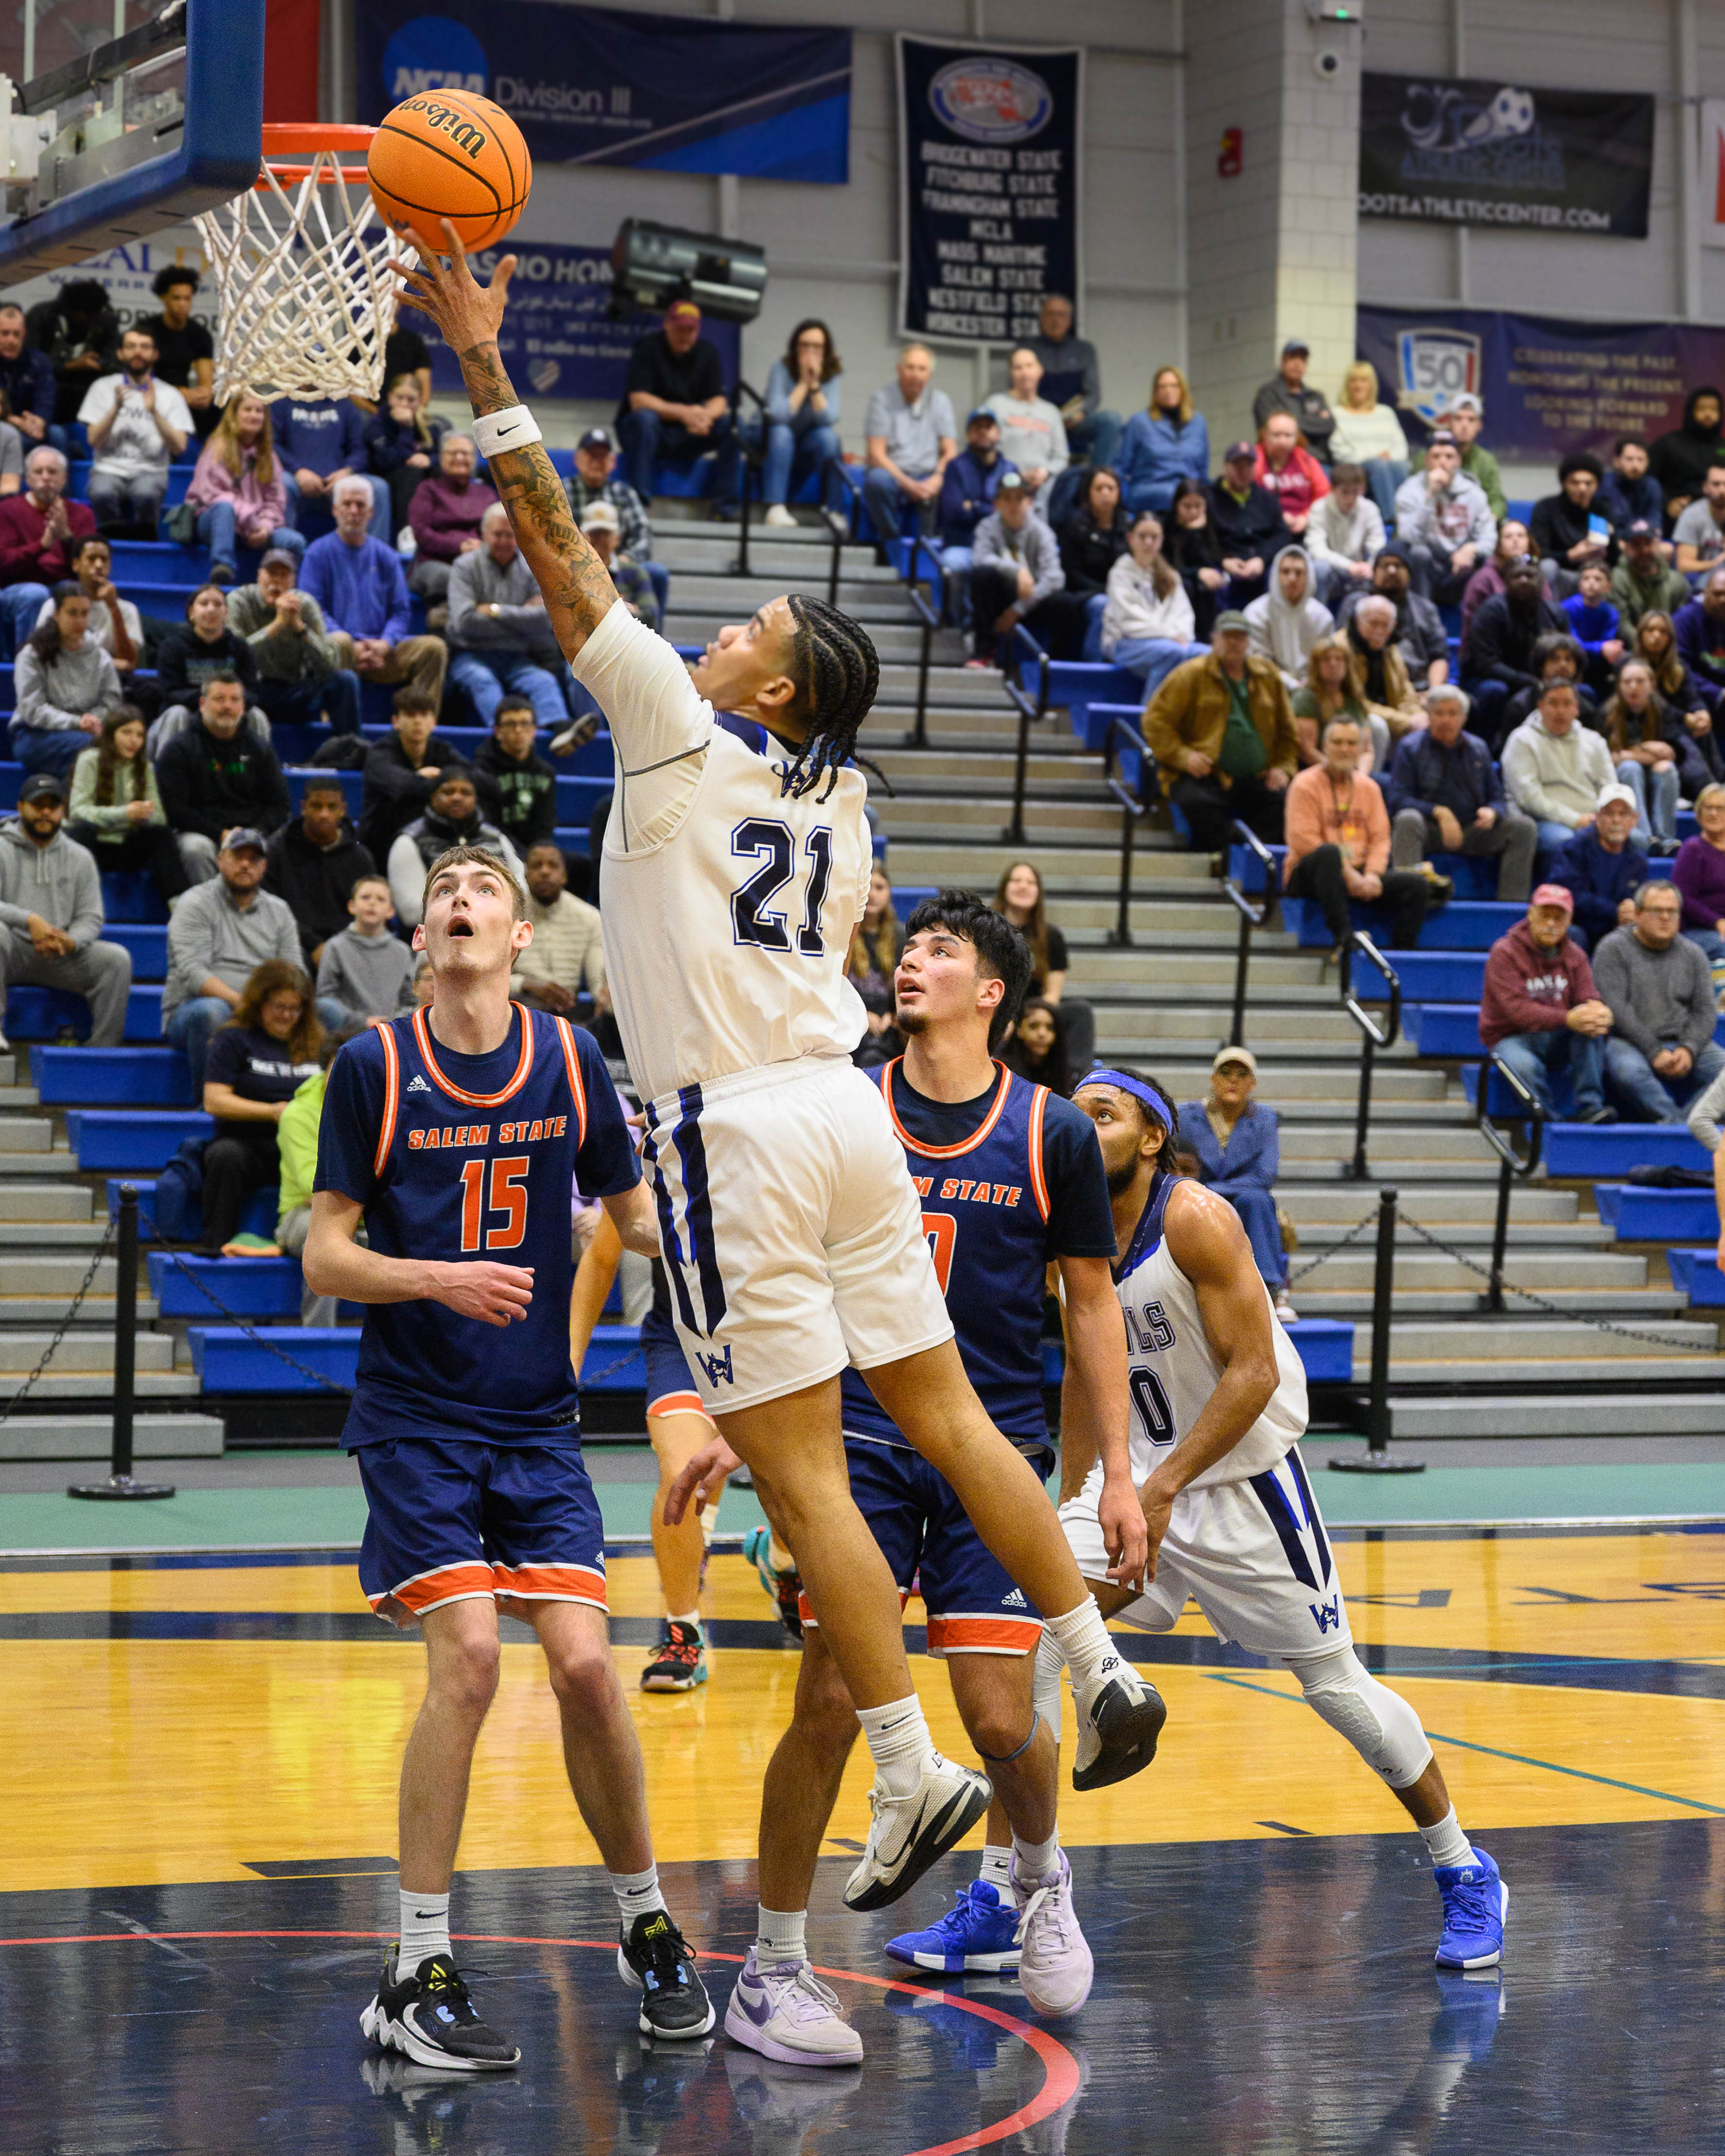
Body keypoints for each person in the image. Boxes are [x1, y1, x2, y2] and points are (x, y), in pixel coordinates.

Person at [400, 229, 1163, 1962]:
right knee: (950, 1416)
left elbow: (556, 558)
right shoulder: (846, 805)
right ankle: (1098, 1660)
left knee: (796, 1456)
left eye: (748, 629)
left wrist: (482, 362)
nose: (719, 627)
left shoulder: (680, 730)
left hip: (732, 1127)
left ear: (771, 689)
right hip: (847, 1114)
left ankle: (905, 1766)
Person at [669, 893, 1130, 2040]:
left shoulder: (1053, 1132)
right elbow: (775, 1280)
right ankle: (774, 1958)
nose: (912, 961)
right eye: (909, 944)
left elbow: (1090, 1306)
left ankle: (1039, 1879)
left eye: (941, 950)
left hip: (990, 1447)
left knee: (996, 1710)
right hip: (855, 1446)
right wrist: (739, 1423)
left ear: (993, 993)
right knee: (829, 1696)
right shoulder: (845, 1102)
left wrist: (1117, 1472)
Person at [302, 843, 712, 2070]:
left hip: (535, 1421)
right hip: (417, 1417)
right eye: (445, 891)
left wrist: (713, 1213)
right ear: (422, 937)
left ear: (522, 933)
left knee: (587, 1666)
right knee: (473, 1657)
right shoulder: (375, 1066)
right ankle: (414, 1964)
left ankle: (646, 1922)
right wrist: (435, 1277)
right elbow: (325, 1254)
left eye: (484, 889)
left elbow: (635, 1222)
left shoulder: (571, 1059)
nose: (461, 900)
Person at [1056, 1066, 1509, 1974]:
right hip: (1137, 1481)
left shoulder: (1196, 1218)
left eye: (1102, 1113)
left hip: (1240, 1486)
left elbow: (1255, 1372)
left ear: (1152, 1136)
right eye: (1073, 1114)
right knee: (1027, 1628)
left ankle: (1465, 1867)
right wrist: (1074, 1495)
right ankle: (1016, 1891)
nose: (1081, 1125)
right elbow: (1080, 1370)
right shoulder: (1065, 1231)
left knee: (1337, 1688)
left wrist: (1164, 1484)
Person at [571, 1226, 727, 1691]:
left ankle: (777, 1559)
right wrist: (569, 1364)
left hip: (776, 1336)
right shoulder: (647, 1175)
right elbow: (602, 1257)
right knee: (683, 1473)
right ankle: (684, 1631)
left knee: (789, 1490)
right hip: (682, 1340)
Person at [1144, 611, 1299, 853]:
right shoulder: (1190, 674)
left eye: (1240, 637)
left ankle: (1246, 858)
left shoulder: (1268, 675)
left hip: (1258, 776)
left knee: (1286, 800)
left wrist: (1284, 767)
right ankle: (1225, 855)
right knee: (1196, 802)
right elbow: (1155, 721)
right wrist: (1184, 756)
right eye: (1227, 636)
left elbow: (1288, 731)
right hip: (1206, 774)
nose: (1233, 642)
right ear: (1214, 638)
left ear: (1248, 641)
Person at [161, 827, 305, 1088]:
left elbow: (294, 971)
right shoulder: (194, 902)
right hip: (194, 1010)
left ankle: (303, 1103)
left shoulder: (280, 911)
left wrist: (270, 1007)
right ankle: (211, 1103)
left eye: (254, 859)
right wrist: (247, 1004)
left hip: (264, 1009)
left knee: (324, 1012)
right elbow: (194, 973)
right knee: (211, 1012)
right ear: (220, 860)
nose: (246, 865)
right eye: (238, 857)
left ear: (264, 867)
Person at [0, 768, 131, 1049]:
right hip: (12, 950)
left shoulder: (80, 857)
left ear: (63, 811)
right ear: (21, 808)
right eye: (38, 805)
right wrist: (30, 920)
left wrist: (71, 941)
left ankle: (104, 1050)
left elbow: (90, 916)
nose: (46, 813)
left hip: (60, 954)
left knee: (116, 959)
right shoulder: (2, 848)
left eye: (53, 806)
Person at [198, 961, 322, 1254]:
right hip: (251, 1146)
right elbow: (215, 1100)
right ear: (260, 1003)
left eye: (295, 1008)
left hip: (305, 1146)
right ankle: (216, 1245)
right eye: (279, 1006)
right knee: (224, 1156)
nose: (287, 1015)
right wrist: (272, 1112)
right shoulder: (233, 1039)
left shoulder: (316, 1042)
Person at [1283, 714, 1429, 957]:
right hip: (1312, 872)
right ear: (1324, 746)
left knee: (1417, 885)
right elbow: (1303, 840)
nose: (1344, 749)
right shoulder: (1304, 783)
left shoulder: (1369, 788)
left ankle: (1401, 955)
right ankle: (1345, 938)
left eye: (1351, 743)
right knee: (1329, 854)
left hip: (1359, 872)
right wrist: (1349, 874)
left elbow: (1380, 839)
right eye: (1337, 742)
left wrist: (1372, 875)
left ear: (1361, 749)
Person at [299, 476, 447, 705]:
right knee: (339, 643)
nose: (354, 511)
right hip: (338, 651)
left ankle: (419, 718)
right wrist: (353, 646)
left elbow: (401, 611)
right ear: (335, 510)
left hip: (381, 653)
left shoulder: (387, 556)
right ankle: (335, 721)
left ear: (371, 513)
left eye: (360, 505)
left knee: (434, 648)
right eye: (347, 504)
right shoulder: (317, 554)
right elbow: (313, 611)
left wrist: (386, 643)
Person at [1386, 683, 1536, 901]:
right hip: (1430, 830)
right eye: (1439, 713)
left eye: (1452, 713)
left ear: (1464, 717)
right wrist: (1438, 812)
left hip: (1473, 829)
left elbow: (1497, 798)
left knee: (1523, 828)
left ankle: (1512, 908)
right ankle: (1408, 900)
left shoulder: (1479, 748)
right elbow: (1398, 799)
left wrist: (1492, 812)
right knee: (1407, 820)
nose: (1446, 720)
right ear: (1429, 715)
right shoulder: (1410, 748)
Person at [1175, 1047, 1294, 1319]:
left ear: (1252, 1084)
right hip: (1193, 1197)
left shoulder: (1265, 1118)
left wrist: (1213, 1190)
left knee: (1257, 1200)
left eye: (1242, 1075)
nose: (1233, 1080)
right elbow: (1176, 1166)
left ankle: (1270, 1291)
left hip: (1239, 1197)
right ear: (1213, 1079)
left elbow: (1265, 1176)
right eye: (1226, 1073)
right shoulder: (1186, 1116)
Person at [1592, 883, 1725, 1122]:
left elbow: (1704, 1012)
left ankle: (1682, 1125)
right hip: (1628, 1042)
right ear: (1638, 914)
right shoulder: (1612, 949)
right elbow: (1617, 1010)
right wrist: (1653, 1051)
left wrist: (1689, 1048)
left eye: (1672, 911)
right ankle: (1679, 1128)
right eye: (1656, 911)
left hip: (1684, 1040)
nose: (1665, 918)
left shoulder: (1694, 954)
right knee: (1630, 1072)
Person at [1481, 887, 1614, 1120]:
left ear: (1569, 921)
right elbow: (1517, 1011)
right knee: (1523, 1065)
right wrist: (1567, 1018)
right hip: (1512, 1036)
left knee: (1592, 1027)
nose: (1551, 924)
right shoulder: (1505, 953)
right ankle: (1547, 1122)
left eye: (1559, 917)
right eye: (1545, 915)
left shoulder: (1575, 955)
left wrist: (1600, 1012)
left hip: (1558, 1035)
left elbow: (1588, 997)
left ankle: (1590, 1107)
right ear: (1531, 915)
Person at [156, 673, 291, 883]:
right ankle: (208, 904)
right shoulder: (179, 749)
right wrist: (222, 834)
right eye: (219, 699)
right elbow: (175, 810)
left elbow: (280, 805)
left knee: (283, 845)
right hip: (203, 833)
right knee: (195, 849)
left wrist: (256, 833)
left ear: (243, 706)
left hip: (253, 830)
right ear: (203, 704)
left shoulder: (260, 749)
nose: (227, 706)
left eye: (234, 700)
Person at [447, 501, 571, 729]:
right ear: (484, 534)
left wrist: (495, 611)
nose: (504, 541)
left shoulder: (532, 567)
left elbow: (546, 620)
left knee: (544, 681)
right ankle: (505, 738)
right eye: (498, 535)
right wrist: (522, 620)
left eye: (510, 535)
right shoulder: (464, 567)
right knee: (483, 681)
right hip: (470, 655)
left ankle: (560, 734)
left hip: (517, 657)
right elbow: (464, 623)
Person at [616, 298, 738, 513]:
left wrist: (704, 417)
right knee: (645, 419)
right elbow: (639, 400)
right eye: (681, 329)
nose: (685, 335)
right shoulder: (647, 348)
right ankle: (639, 504)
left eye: (691, 330)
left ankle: (725, 507)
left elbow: (719, 400)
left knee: (731, 424)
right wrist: (685, 413)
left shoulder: (708, 352)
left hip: (690, 432)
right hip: (649, 433)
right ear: (667, 325)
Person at [226, 548, 360, 736]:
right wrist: (277, 625)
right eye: (272, 574)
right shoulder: (239, 601)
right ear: (259, 576)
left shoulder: (306, 604)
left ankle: (351, 747)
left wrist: (300, 628)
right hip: (252, 691)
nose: (277, 581)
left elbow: (330, 665)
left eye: (284, 575)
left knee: (345, 680)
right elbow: (233, 656)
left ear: (293, 582)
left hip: (294, 690)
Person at [66, 704, 187, 907]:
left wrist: (144, 814)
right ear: (111, 734)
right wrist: (125, 813)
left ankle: (179, 906)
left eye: (139, 735)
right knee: (81, 831)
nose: (134, 741)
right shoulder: (90, 760)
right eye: (127, 733)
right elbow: (77, 812)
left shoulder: (146, 767)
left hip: (129, 845)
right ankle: (70, 904)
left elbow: (160, 818)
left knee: (162, 834)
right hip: (96, 845)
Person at [78, 326, 190, 534]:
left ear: (155, 354)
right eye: (131, 347)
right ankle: (110, 538)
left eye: (145, 347)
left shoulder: (171, 394)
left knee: (146, 494)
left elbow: (180, 447)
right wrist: (115, 408)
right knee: (102, 492)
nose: (138, 352)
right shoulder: (102, 387)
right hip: (108, 469)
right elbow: (93, 441)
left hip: (151, 471)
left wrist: (154, 412)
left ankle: (146, 538)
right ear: (121, 353)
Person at [183, 393, 303, 585]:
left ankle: (284, 584)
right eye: (248, 410)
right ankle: (223, 569)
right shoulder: (217, 448)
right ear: (234, 414)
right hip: (217, 523)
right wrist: (251, 519)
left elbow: (275, 499)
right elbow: (211, 494)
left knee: (294, 542)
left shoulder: (269, 455)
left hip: (256, 527)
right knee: (224, 508)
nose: (254, 415)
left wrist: (265, 527)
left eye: (259, 411)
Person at [967, 472, 1083, 667]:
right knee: (982, 576)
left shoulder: (1042, 531)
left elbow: (1055, 578)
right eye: (1007, 499)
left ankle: (1057, 665)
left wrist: (1018, 610)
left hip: (1032, 598)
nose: (1014, 505)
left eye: (1019, 499)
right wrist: (1017, 570)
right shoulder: (987, 527)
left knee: (1068, 603)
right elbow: (979, 558)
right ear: (997, 504)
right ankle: (984, 651)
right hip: (1001, 595)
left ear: (1029, 503)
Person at [991, 859, 1094, 1074]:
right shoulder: (987, 931)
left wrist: (1028, 1017)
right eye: (1017, 880)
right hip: (995, 1006)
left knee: (1080, 1011)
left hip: (1033, 1010)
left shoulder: (1051, 936)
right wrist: (1006, 1016)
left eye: (1031, 883)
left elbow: (1052, 996)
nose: (1024, 886)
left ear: (1038, 892)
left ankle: (1076, 1076)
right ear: (1005, 888)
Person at [10, 581, 122, 776]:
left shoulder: (100, 656)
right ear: (57, 615)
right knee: (93, 748)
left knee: (121, 744)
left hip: (86, 731)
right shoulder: (32, 655)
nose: (79, 620)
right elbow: (32, 709)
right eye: (72, 613)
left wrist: (92, 720)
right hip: (35, 734)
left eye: (84, 613)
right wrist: (77, 723)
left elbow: (111, 700)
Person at [264, 775, 378, 967]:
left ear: (343, 810)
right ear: (303, 808)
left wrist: (337, 948)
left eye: (332, 807)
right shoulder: (277, 851)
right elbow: (271, 909)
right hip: (293, 943)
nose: (324, 814)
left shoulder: (360, 858)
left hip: (348, 945)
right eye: (317, 806)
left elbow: (368, 911)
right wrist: (315, 945)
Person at [388, 768, 522, 929]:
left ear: (475, 799)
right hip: (430, 941)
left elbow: (521, 898)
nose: (457, 797)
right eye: (448, 792)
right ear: (433, 798)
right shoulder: (409, 842)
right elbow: (411, 913)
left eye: (465, 793)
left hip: (495, 937)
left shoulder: (498, 840)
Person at [1502, 681, 1619, 864]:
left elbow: (1610, 788)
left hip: (1594, 819)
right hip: (1544, 822)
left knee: (1636, 839)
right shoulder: (1522, 740)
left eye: (1567, 704)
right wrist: (1575, 819)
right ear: (1541, 706)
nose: (1560, 711)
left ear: (1576, 708)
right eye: (1554, 703)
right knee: (1566, 841)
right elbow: (1529, 798)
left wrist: (1604, 818)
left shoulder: (1594, 740)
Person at [1459, 556, 1567, 748]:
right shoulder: (1491, 611)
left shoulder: (1555, 613)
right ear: (1506, 581)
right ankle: (1487, 748)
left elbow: (1567, 655)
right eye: (1517, 576)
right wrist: (1529, 681)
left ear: (1541, 580)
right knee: (1495, 690)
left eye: (1530, 576)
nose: (1524, 580)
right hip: (1487, 678)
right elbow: (1487, 664)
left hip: (1535, 679)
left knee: (1579, 692)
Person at [862, 343, 957, 558]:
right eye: (910, 367)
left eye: (922, 369)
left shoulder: (941, 401)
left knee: (958, 476)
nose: (916, 374)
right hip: (894, 477)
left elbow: (950, 452)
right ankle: (893, 543)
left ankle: (937, 552)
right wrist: (909, 485)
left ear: (929, 374)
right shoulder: (881, 399)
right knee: (877, 480)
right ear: (899, 370)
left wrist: (936, 480)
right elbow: (876, 454)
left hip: (929, 476)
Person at [0, 446, 95, 657]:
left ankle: (74, 660)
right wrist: (42, 545)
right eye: (39, 472)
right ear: (27, 478)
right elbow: (4, 562)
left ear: (64, 479)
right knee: (35, 594)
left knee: (75, 592)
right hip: (15, 588)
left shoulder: (81, 514)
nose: (45, 477)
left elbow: (88, 567)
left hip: (62, 584)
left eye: (52, 472)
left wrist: (67, 538)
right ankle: (28, 661)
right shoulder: (7, 510)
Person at [149, 584, 268, 752]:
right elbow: (170, 693)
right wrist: (212, 701)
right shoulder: (173, 646)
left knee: (256, 715)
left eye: (218, 604)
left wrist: (226, 704)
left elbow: (252, 691)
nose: (211, 609)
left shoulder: (240, 647)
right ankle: (169, 766)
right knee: (177, 713)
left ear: (226, 613)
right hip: (189, 712)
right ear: (192, 612)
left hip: (229, 711)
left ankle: (260, 765)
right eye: (204, 604)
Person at [359, 689, 474, 862]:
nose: (418, 721)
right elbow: (402, 787)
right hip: (380, 845)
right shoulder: (379, 753)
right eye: (410, 715)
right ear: (396, 722)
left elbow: (474, 778)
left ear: (433, 722)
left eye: (424, 715)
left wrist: (436, 778)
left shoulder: (442, 750)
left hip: (432, 843)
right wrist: (441, 781)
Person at [1101, 509, 1208, 691]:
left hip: (1170, 642)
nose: (1148, 542)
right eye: (1142, 536)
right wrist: (1169, 635)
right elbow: (1129, 621)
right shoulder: (1119, 574)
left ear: (1161, 540)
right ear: (1130, 538)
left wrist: (1181, 635)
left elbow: (1184, 614)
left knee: (1208, 656)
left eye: (1154, 537)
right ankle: (1151, 709)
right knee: (1170, 653)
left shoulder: (1171, 575)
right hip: (1125, 643)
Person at [1392, 428, 1494, 606]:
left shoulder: (1474, 494)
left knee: (1486, 560)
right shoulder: (1410, 491)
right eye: (1436, 456)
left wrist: (1471, 549)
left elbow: (1490, 538)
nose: (1442, 462)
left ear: (1458, 461)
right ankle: (1421, 614)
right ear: (1426, 461)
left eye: (1449, 457)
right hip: (1426, 568)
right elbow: (1408, 538)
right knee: (1418, 554)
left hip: (1461, 565)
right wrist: (1430, 497)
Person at [1601, 659, 1695, 851]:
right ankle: (1644, 838)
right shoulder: (1606, 713)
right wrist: (1646, 749)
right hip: (1621, 782)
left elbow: (1672, 752)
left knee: (1666, 768)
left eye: (1640, 681)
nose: (1633, 687)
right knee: (1630, 768)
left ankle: (1666, 839)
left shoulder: (1664, 711)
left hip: (1655, 779)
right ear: (1619, 686)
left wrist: (1631, 753)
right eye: (1627, 682)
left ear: (1652, 685)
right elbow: (1608, 758)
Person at [935, 409, 1017, 627]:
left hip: (999, 547)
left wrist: (974, 506)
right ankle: (956, 626)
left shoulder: (1010, 469)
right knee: (953, 565)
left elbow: (1013, 514)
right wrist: (991, 508)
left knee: (1020, 569)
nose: (983, 432)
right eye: (977, 428)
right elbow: (953, 512)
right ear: (969, 434)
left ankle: (999, 631)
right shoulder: (956, 467)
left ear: (998, 433)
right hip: (964, 544)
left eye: (988, 427)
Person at [562, 429, 658, 614]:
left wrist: (626, 559)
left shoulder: (625, 493)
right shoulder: (562, 492)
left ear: (612, 461)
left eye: (603, 456)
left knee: (654, 574)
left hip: (618, 566)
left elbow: (643, 534)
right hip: (573, 566)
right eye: (593, 455)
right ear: (578, 459)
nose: (598, 461)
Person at [1026, 293, 1121, 476]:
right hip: (1040, 421)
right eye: (1051, 314)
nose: (1056, 320)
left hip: (1073, 421)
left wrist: (1081, 413)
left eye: (1061, 315)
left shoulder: (1085, 351)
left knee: (1111, 420)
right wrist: (1049, 417)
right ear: (1042, 318)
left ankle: (1097, 479)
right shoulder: (1028, 350)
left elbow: (1093, 394)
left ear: (1070, 320)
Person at [509, 840, 605, 1019]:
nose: (545, 872)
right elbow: (485, 980)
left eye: (553, 866)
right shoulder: (507, 914)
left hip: (566, 1015)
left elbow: (598, 983)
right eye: (537, 866)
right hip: (514, 1013)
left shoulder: (590, 917)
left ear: (564, 876)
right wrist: (525, 984)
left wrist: (606, 1000)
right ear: (525, 875)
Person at [1548, 785, 1650, 951]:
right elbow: (1568, 896)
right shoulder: (1573, 850)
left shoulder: (1638, 860)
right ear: (1597, 817)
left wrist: (1632, 911)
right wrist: (1615, 911)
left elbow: (1635, 902)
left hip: (1615, 929)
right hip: (1580, 925)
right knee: (1574, 934)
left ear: (1634, 820)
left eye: (1623, 814)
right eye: (1609, 813)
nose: (1616, 820)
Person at [760, 318, 841, 525]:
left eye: (817, 347)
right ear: (795, 347)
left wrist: (814, 386)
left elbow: (828, 419)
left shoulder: (832, 375)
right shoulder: (781, 368)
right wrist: (804, 383)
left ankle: (833, 511)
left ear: (826, 350)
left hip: (806, 444)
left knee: (829, 438)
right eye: (805, 345)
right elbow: (777, 416)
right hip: (773, 442)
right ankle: (775, 508)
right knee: (782, 432)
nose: (810, 352)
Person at [1337, 547, 1449, 694]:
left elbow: (1439, 656)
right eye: (1385, 565)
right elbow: (1342, 648)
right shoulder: (1355, 603)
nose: (1392, 571)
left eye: (1398, 565)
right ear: (1374, 572)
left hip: (1419, 687)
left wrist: (1433, 695)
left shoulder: (1425, 608)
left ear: (1409, 573)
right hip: (1368, 686)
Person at [272, 394, 387, 536]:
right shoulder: (281, 404)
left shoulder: (344, 405)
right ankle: (285, 548)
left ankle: (375, 550)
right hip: (296, 480)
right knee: (282, 483)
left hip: (339, 481)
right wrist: (297, 471)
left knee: (379, 488)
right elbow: (271, 445)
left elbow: (360, 449)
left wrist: (347, 471)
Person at [406, 432, 497, 610]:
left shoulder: (486, 494)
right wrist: (460, 547)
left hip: (479, 562)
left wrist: (483, 547)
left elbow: (498, 531)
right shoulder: (427, 490)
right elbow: (422, 534)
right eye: (453, 453)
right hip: (434, 562)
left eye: (465, 453)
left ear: (474, 459)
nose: (460, 458)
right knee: (448, 577)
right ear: (441, 459)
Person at [1630, 609, 1721, 783]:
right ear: (1641, 634)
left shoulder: (1678, 666)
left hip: (1677, 722)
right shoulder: (1630, 665)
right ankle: (1706, 787)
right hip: (1645, 725)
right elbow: (1653, 702)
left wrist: (1701, 712)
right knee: (1681, 734)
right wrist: (1685, 718)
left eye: (1663, 632)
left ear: (1670, 638)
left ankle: (1719, 781)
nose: (1657, 636)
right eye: (1651, 630)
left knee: (1703, 728)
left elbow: (1692, 696)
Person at [315, 873, 416, 1021]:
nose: (372, 903)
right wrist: (362, 1022)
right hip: (349, 1033)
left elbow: (410, 1001)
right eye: (365, 898)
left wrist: (392, 1023)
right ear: (352, 906)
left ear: (391, 911)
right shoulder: (336, 947)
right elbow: (325, 999)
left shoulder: (402, 952)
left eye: (381, 899)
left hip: (391, 1032)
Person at [42, 533, 140, 683]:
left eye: (104, 560)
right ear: (76, 565)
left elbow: (128, 663)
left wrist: (114, 608)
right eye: (92, 559)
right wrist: (107, 663)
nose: (99, 565)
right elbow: (44, 652)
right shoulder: (54, 605)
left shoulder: (127, 609)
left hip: (108, 682)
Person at [1114, 364, 1207, 516]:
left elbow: (1203, 471)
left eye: (1174, 386)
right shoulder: (1139, 423)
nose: (1168, 391)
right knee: (1176, 498)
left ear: (1183, 390)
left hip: (1189, 492)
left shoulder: (1198, 423)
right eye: (1163, 387)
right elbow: (1121, 468)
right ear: (1155, 392)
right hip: (1150, 491)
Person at [24, 278, 119, 425]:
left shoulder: (106, 320)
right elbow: (30, 361)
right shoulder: (42, 316)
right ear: (74, 311)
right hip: (46, 394)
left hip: (87, 395)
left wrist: (99, 363)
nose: (94, 320)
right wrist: (70, 366)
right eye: (89, 316)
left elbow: (113, 359)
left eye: (97, 315)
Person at [985, 346, 1069, 511]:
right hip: (1005, 485)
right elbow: (988, 449)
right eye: (1018, 368)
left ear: (1040, 370)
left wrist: (1045, 472)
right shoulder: (996, 404)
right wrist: (1016, 473)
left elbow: (1062, 457)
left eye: (1029, 366)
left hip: (1043, 491)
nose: (1025, 373)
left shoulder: (1051, 412)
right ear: (1011, 373)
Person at [471, 695, 556, 859]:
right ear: (497, 731)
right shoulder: (481, 771)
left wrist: (536, 855)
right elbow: (490, 826)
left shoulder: (546, 772)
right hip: (496, 850)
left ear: (534, 730)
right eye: (511, 724)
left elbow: (546, 825)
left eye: (525, 724)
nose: (518, 731)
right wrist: (522, 857)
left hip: (535, 853)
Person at [135, 264, 216, 434]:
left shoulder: (200, 334)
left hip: (185, 401)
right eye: (177, 298)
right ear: (163, 298)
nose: (183, 304)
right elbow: (139, 378)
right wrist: (177, 394)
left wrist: (204, 395)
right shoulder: (146, 331)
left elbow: (206, 382)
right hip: (149, 396)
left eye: (187, 299)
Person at [1244, 545, 1333, 694]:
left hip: (1312, 690)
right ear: (1276, 575)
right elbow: (1258, 661)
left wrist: (1309, 684)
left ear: (1309, 577)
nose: (1292, 579)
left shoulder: (1322, 616)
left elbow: (1325, 660)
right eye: (1285, 572)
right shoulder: (1256, 613)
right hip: (1268, 687)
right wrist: (1292, 685)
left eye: (1299, 573)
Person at [1054, 466, 1128, 647]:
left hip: (1123, 591)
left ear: (1119, 493)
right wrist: (1106, 590)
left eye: (1111, 488)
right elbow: (1071, 573)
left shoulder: (1128, 527)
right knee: (1104, 605)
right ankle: (1094, 661)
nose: (1105, 493)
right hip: (1086, 594)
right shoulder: (1074, 526)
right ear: (1088, 493)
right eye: (1099, 488)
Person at [1206, 439, 1286, 606]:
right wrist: (1223, 561)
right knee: (1213, 581)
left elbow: (1282, 534)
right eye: (1237, 465)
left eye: (1248, 465)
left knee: (1284, 575)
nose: (1242, 471)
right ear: (1226, 467)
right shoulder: (1209, 499)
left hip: (1262, 566)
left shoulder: (1267, 499)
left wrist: (1262, 559)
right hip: (1227, 567)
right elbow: (1203, 539)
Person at [1328, 361, 1408, 524]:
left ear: (1372, 385)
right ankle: (1390, 519)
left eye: (1364, 381)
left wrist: (1390, 456)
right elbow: (1338, 449)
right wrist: (1374, 457)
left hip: (1387, 464)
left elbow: (1401, 446)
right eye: (1354, 381)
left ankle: (1406, 517)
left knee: (1401, 466)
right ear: (1347, 385)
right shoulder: (1337, 414)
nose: (1359, 386)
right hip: (1355, 466)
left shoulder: (1386, 412)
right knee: (1379, 465)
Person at [364, 375, 446, 534]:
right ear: (390, 397)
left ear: (420, 401)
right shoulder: (377, 424)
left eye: (411, 400)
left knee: (439, 472)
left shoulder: (429, 424)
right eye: (399, 398)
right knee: (411, 473)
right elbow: (389, 462)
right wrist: (406, 428)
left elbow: (444, 457)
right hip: (387, 479)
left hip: (419, 480)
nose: (404, 404)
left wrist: (429, 460)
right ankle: (406, 533)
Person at [1342, 593, 1425, 747]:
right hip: (1349, 716)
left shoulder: (1391, 649)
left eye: (1386, 625)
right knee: (1378, 726)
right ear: (1358, 621)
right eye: (1373, 624)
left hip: (1390, 716)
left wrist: (1418, 716)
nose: (1380, 631)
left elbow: (1405, 693)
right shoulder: (1340, 650)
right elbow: (1356, 703)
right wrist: (1406, 721)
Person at [1530, 453, 1617, 598]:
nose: (1582, 488)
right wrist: (1570, 555)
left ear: (1597, 485)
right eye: (1575, 483)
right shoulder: (1546, 508)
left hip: (1594, 573)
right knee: (1547, 567)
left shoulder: (1602, 509)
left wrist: (1608, 546)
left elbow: (1614, 556)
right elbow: (1538, 552)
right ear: (1564, 484)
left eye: (1588, 483)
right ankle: (1551, 611)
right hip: (1561, 573)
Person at [1306, 462, 1385, 606]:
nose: (1350, 498)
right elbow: (1316, 550)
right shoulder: (1319, 509)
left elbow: (1379, 547)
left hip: (1360, 574)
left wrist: (1371, 566)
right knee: (1319, 568)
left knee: (1382, 569)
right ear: (1333, 489)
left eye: (1355, 492)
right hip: (1333, 572)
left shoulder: (1370, 509)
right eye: (1345, 492)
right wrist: (1349, 566)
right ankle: (1318, 616)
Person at [1292, 633, 1374, 770]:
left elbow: (1367, 750)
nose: (1333, 664)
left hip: (1353, 770)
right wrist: (1338, 773)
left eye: (1339, 659)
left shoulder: (1353, 697)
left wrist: (1361, 776)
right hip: (1319, 770)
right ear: (1316, 666)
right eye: (1326, 660)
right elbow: (1307, 750)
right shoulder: (1306, 698)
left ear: (1347, 665)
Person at [576, 499, 658, 633]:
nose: (600, 540)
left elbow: (651, 617)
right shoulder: (573, 572)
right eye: (594, 534)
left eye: (605, 534)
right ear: (583, 537)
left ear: (617, 538)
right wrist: (626, 610)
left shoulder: (634, 572)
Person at [1648, 388, 1725, 526]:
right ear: (1691, 412)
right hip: (1676, 519)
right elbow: (1649, 481)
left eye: (1714, 409)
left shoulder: (1723, 447)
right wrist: (1667, 503)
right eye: (1702, 409)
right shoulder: (1668, 444)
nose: (1708, 414)